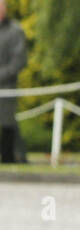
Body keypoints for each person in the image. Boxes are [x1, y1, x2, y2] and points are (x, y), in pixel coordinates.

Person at [0, 0, 28, 164]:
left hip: (6, 87)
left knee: (7, 124)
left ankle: (10, 159)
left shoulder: (15, 30)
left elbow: (19, 60)